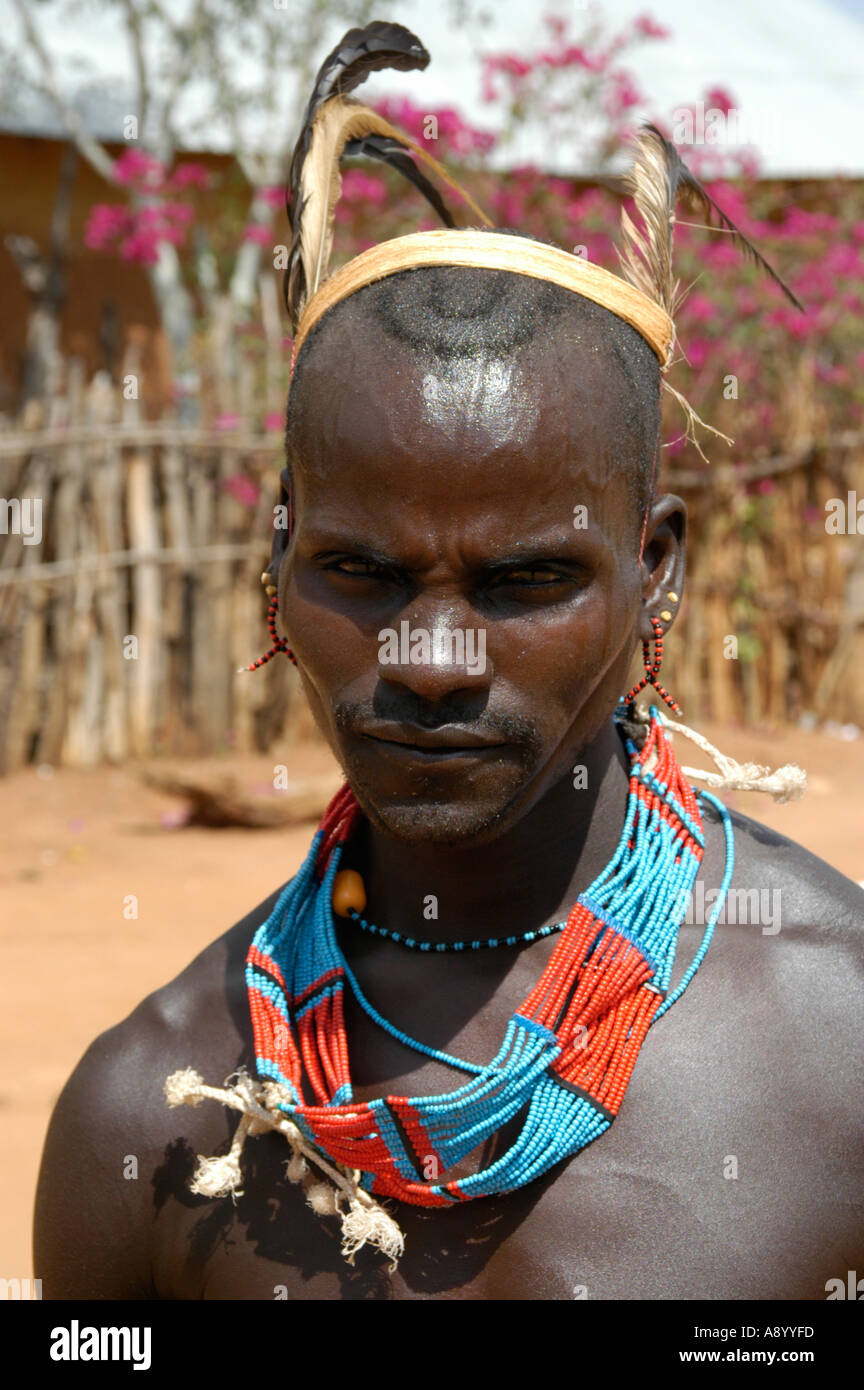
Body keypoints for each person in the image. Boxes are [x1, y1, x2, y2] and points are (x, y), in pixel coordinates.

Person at [34, 21, 863, 1301]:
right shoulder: (151, 1113)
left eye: (525, 579)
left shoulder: (840, 1045)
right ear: (280, 559)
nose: (427, 660)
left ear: (657, 571)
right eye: (360, 573)